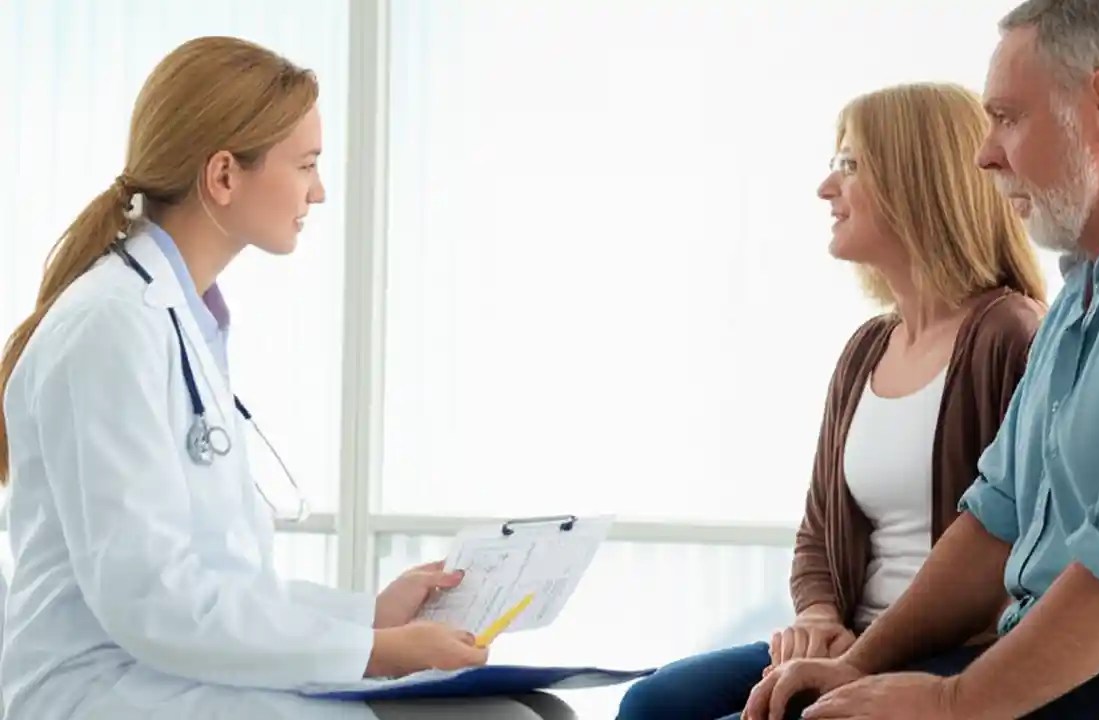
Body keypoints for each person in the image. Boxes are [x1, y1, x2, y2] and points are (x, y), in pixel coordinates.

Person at [0, 36, 574, 720]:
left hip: (170, 671)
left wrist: (370, 618)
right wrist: (375, 649)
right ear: (222, 177)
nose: (320, 191)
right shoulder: (110, 327)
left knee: (539, 709)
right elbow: (155, 600)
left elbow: (222, 584)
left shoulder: (178, 320)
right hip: (101, 691)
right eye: (306, 164)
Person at [745, 1, 1099, 719]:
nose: (984, 153)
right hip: (1073, 667)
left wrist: (954, 702)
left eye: (1007, 117)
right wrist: (854, 665)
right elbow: (994, 520)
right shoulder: (1085, 295)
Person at [616, 82, 1046, 720]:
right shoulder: (867, 349)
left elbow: (1010, 541)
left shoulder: (1008, 334)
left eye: (850, 165)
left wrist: (863, 655)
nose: (826, 188)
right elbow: (819, 530)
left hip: (955, 652)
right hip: (856, 637)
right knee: (652, 703)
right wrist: (817, 617)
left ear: (916, 180)